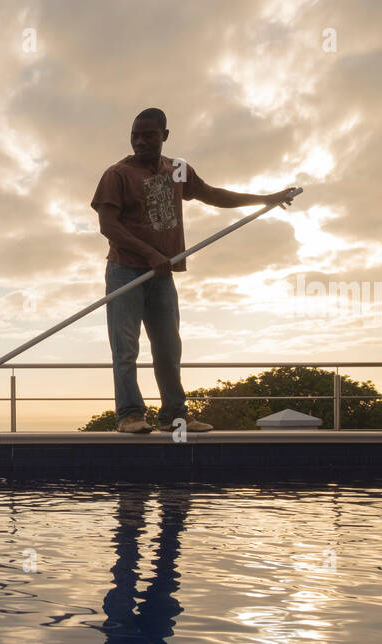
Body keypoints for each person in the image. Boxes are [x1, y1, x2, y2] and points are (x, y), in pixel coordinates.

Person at [92, 108, 299, 434]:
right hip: (126, 271)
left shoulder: (177, 171)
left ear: (165, 135)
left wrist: (266, 199)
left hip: (161, 276)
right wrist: (150, 254)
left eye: (149, 135)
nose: (141, 141)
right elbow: (108, 226)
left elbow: (213, 195)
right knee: (126, 348)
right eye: (135, 135)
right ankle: (130, 416)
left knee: (168, 348)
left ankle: (175, 417)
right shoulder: (117, 175)